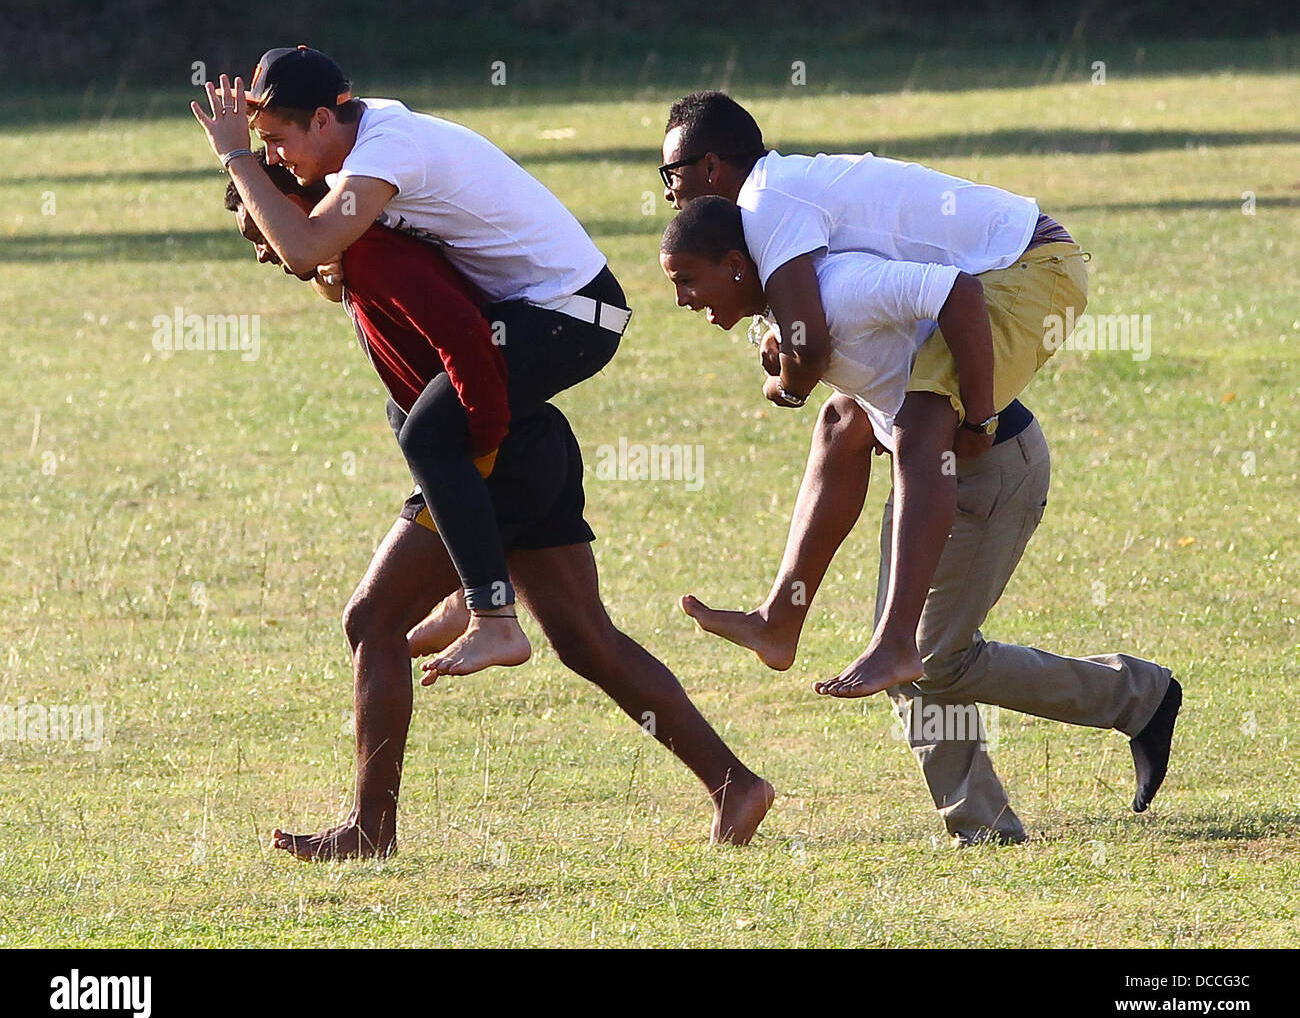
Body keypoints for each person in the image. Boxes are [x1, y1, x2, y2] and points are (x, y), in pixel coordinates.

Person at [223, 157, 774, 858]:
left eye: (263, 228)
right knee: (586, 641)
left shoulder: (379, 254)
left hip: (500, 456)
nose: (266, 249)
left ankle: (369, 829)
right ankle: (736, 786)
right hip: (528, 446)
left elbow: (470, 349)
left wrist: (475, 485)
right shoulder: (361, 261)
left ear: (306, 208)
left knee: (373, 619)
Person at [657, 186, 1181, 844]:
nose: (682, 300)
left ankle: (1136, 697)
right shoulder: (790, 313)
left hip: (990, 472)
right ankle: (984, 827)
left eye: (687, 281)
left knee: (927, 659)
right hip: (929, 482)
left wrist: (981, 415)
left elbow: (959, 291)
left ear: (737, 262)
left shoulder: (839, 286)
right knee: (912, 661)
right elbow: (849, 413)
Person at [193, 46, 632, 679]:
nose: (271, 158)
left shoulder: (385, 150)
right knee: (410, 417)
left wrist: (233, 156)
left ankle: (494, 620)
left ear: (323, 120)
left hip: (573, 314)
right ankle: (467, 597)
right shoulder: (362, 146)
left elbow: (302, 249)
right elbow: (325, 267)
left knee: (432, 432)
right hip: (532, 312)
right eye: (261, 147)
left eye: (276, 140)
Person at [660, 90, 1089, 701]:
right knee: (843, 420)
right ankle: (780, 619)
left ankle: (895, 644)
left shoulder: (764, 198)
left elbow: (811, 343)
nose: (669, 192)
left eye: (671, 174)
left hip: (1028, 264)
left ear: (710, 168)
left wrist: (980, 417)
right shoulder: (773, 204)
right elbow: (811, 322)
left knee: (921, 417)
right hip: (999, 269)